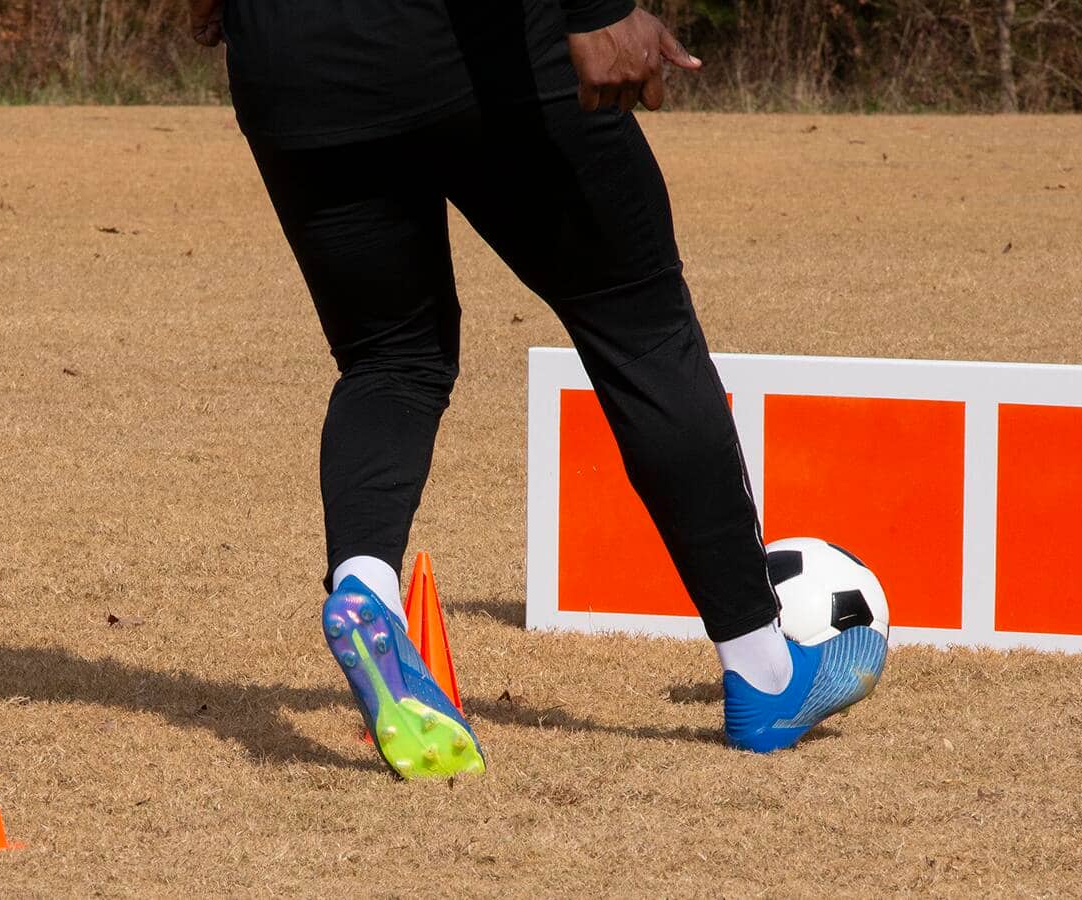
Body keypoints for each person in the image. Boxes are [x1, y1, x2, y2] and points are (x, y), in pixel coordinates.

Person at [188, 0, 885, 777]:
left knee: (389, 356)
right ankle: (766, 674)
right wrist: (597, 9)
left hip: (293, 60)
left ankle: (365, 583)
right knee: (641, 331)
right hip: (478, 48)